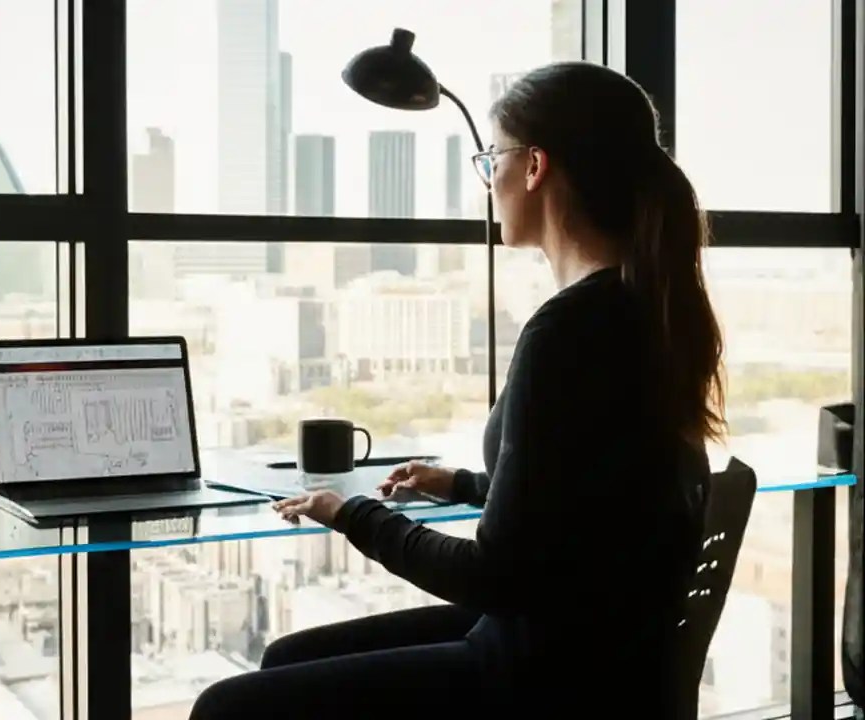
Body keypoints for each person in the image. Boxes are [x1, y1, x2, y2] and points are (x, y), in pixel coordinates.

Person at [189, 61, 725, 718]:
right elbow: (592, 503)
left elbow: (492, 576)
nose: (487, 180)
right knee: (284, 660)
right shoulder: (644, 309)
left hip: (542, 678)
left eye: (489, 158)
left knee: (225, 708)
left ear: (533, 167)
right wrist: (464, 485)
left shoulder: (568, 331)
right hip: (609, 662)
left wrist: (348, 513)